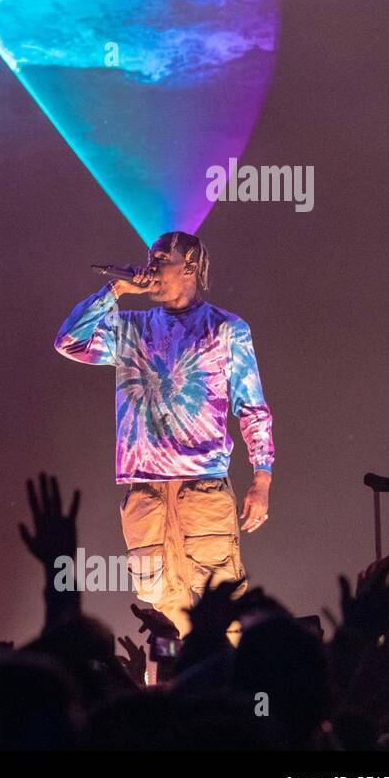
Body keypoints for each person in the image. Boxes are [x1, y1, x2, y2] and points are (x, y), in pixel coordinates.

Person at [54, 231, 274, 638]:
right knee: (161, 609)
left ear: (189, 265)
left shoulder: (227, 329)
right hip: (146, 493)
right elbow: (69, 341)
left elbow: (251, 405)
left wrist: (262, 476)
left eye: (161, 259)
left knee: (219, 601)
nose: (151, 267)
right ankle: (170, 695)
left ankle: (234, 694)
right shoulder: (131, 329)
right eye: (149, 258)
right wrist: (115, 290)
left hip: (202, 486)